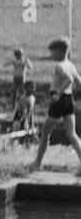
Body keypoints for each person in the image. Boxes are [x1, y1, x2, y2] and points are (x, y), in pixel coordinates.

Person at [30, 38, 81, 172]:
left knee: (45, 133)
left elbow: (69, 79)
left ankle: (37, 163)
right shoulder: (71, 65)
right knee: (72, 134)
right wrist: (69, 94)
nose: (51, 55)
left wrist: (58, 94)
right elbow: (79, 83)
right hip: (68, 100)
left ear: (58, 51)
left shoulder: (59, 65)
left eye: (52, 52)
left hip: (58, 102)